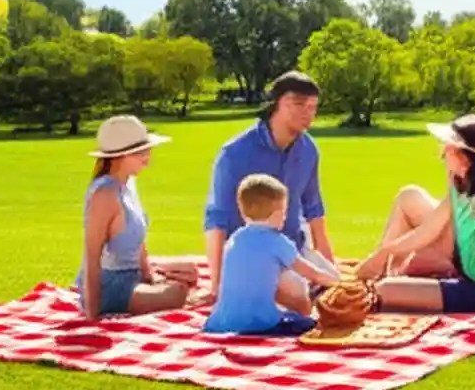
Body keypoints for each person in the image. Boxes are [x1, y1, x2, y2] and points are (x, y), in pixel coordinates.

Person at [354, 114, 475, 330]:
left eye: (449, 147)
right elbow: (429, 230)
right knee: (408, 205)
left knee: (385, 291)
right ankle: (379, 276)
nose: (443, 151)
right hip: (464, 269)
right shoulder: (459, 181)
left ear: (465, 156)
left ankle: (381, 284)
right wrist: (385, 252)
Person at [198, 71, 341, 312]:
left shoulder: (308, 150)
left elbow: (314, 208)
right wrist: (217, 285)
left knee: (340, 291)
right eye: (299, 105)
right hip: (250, 253)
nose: (309, 113)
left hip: (293, 247)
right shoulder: (235, 153)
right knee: (297, 296)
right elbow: (216, 218)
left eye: (313, 107)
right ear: (278, 104)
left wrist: (328, 262)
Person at [75, 115, 196, 321]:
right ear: (119, 156)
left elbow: (139, 243)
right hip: (111, 285)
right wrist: (92, 316)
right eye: (140, 151)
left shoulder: (128, 183)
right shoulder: (105, 195)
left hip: (133, 275)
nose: (147, 155)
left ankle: (154, 290)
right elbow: (91, 256)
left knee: (188, 272)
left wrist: (149, 278)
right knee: (177, 294)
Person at [203, 174, 341, 335]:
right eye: (283, 212)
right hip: (261, 324)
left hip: (219, 323)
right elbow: (313, 274)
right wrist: (340, 283)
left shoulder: (235, 239)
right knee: (309, 323)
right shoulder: (278, 242)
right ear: (277, 214)